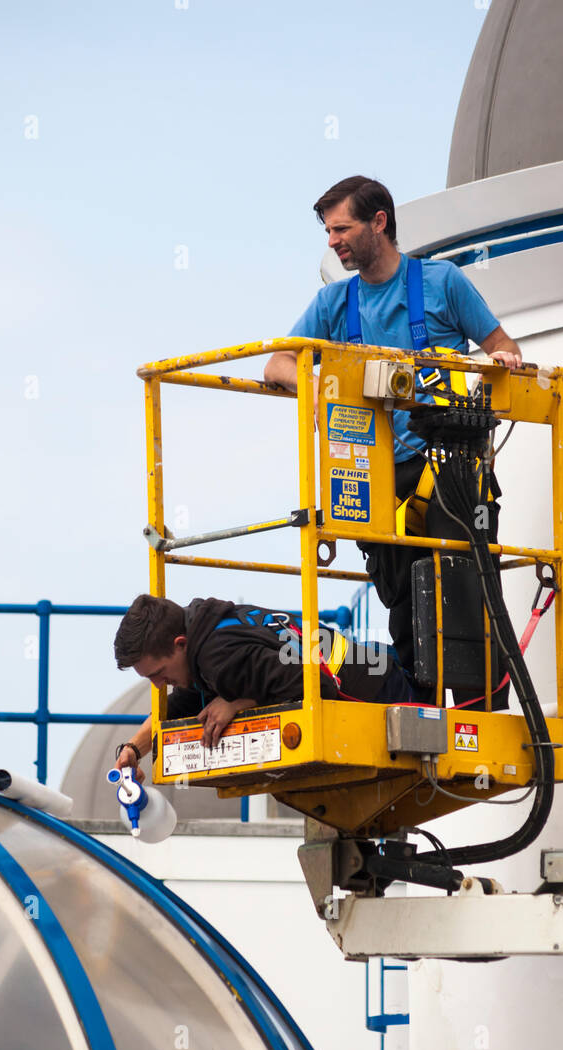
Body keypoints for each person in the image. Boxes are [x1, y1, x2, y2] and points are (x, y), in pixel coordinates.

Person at [263, 174, 521, 708]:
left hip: (449, 463)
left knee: (464, 587)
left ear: (379, 222)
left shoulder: (441, 283)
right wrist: (312, 386)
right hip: (376, 474)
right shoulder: (335, 303)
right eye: (329, 231)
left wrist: (502, 363)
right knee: (404, 602)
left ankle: (479, 715)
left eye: (342, 228)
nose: (333, 241)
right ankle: (422, 709)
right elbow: (276, 363)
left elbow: (502, 346)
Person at [112, 592, 420, 778]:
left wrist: (236, 704)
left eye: (159, 673)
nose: (158, 685)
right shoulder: (205, 630)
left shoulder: (217, 657)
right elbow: (178, 706)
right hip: (377, 666)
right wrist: (133, 750)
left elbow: (320, 688)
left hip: (383, 695)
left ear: (180, 644)